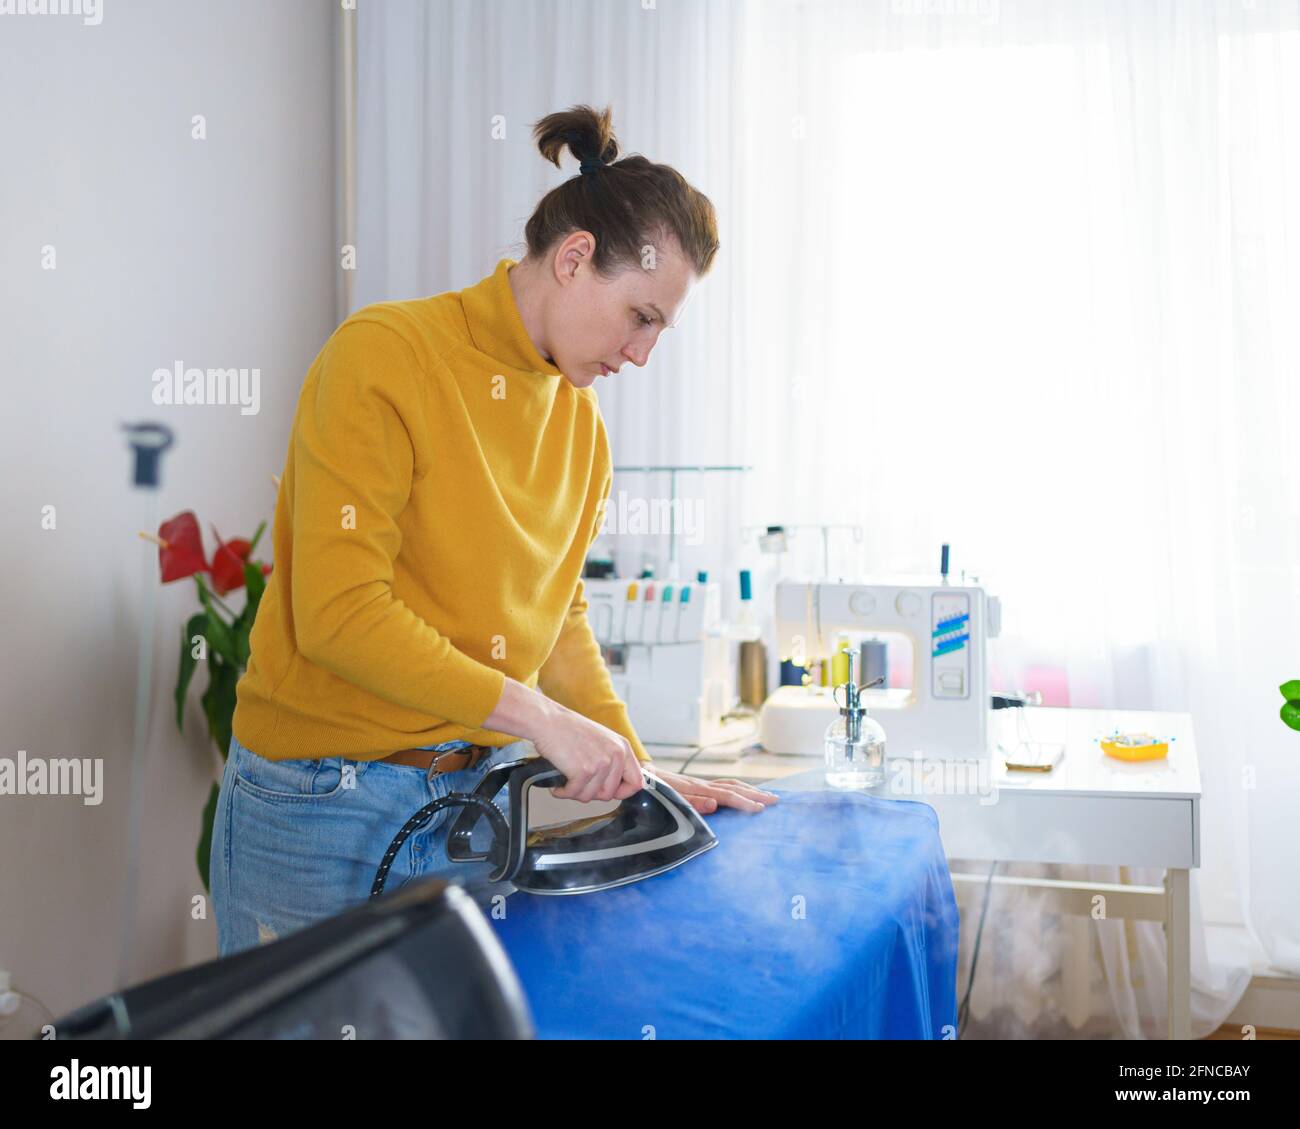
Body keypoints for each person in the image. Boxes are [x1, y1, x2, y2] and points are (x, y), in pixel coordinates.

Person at [210, 104, 777, 957]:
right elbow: (339, 615)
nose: (642, 353)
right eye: (642, 315)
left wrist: (637, 768)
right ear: (575, 257)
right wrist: (542, 720)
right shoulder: (384, 357)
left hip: (461, 811)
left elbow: (560, 624)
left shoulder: (581, 433)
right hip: (317, 807)